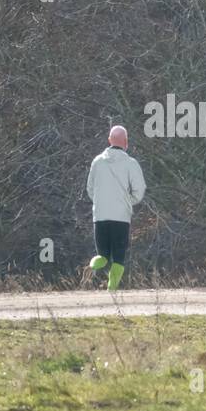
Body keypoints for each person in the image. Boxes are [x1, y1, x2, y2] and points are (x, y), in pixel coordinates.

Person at [85, 125, 146, 291]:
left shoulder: (97, 162)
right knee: (118, 255)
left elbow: (90, 188)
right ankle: (112, 287)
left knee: (103, 254)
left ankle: (95, 263)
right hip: (121, 217)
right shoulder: (130, 163)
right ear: (126, 142)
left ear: (109, 140)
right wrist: (128, 201)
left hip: (101, 215)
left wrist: (100, 201)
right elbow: (139, 190)